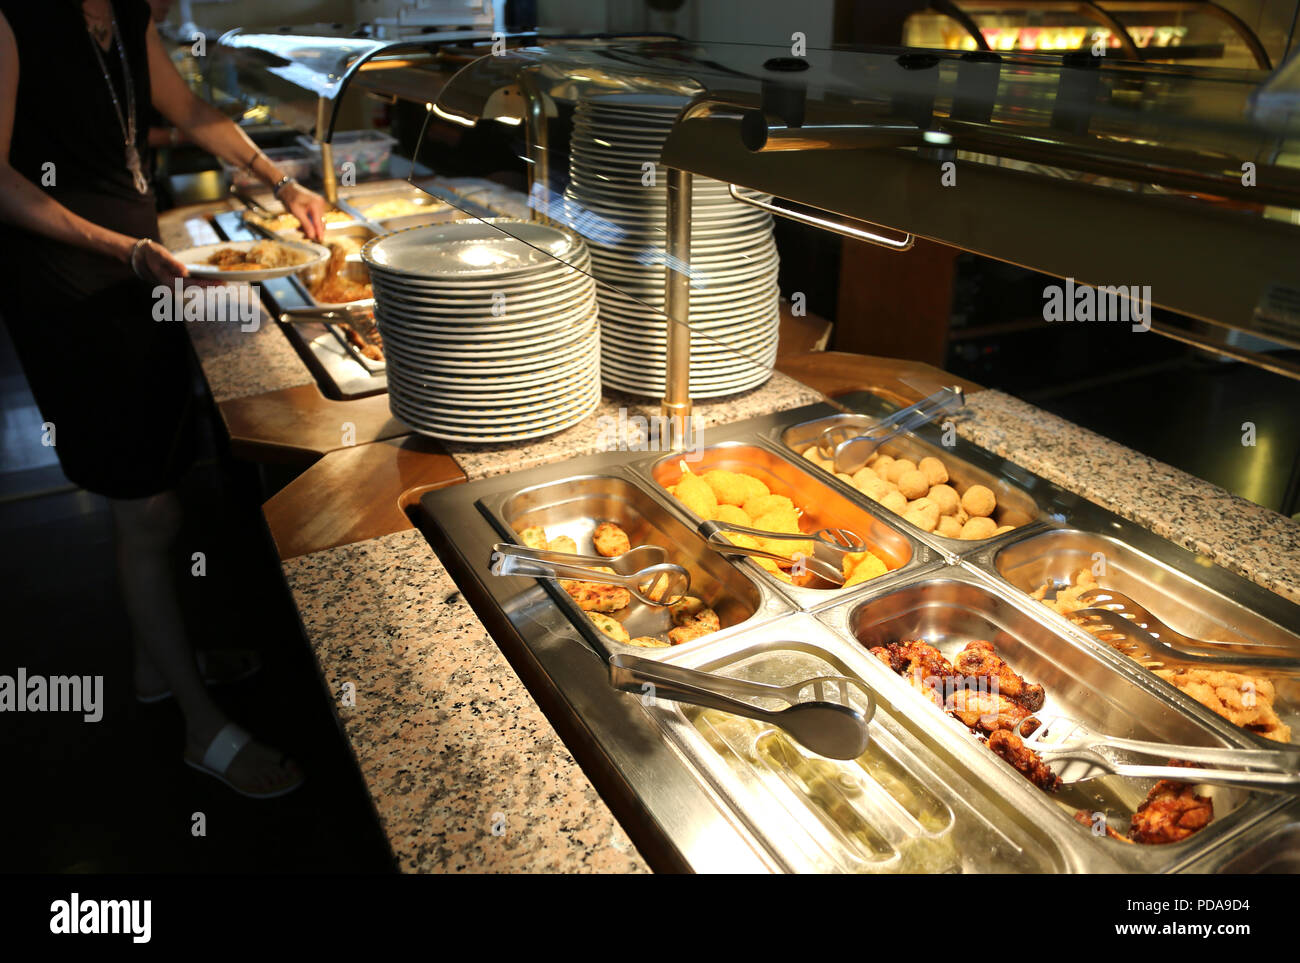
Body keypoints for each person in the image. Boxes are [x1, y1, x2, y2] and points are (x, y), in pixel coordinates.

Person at [0, 0, 329, 797]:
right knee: (143, 505)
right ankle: (199, 725)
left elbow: (184, 107)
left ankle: (158, 660)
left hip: (136, 271)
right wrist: (126, 248)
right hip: (65, 280)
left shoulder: (124, 6)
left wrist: (281, 182)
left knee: (157, 490)